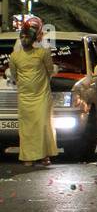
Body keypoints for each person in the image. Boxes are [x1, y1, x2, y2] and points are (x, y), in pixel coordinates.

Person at [7, 19, 57, 166]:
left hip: (41, 95)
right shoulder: (15, 56)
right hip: (25, 96)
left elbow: (50, 70)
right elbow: (15, 75)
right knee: (27, 128)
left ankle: (44, 155)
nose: (24, 39)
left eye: (27, 37)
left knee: (43, 125)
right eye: (22, 37)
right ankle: (28, 156)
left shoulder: (43, 52)